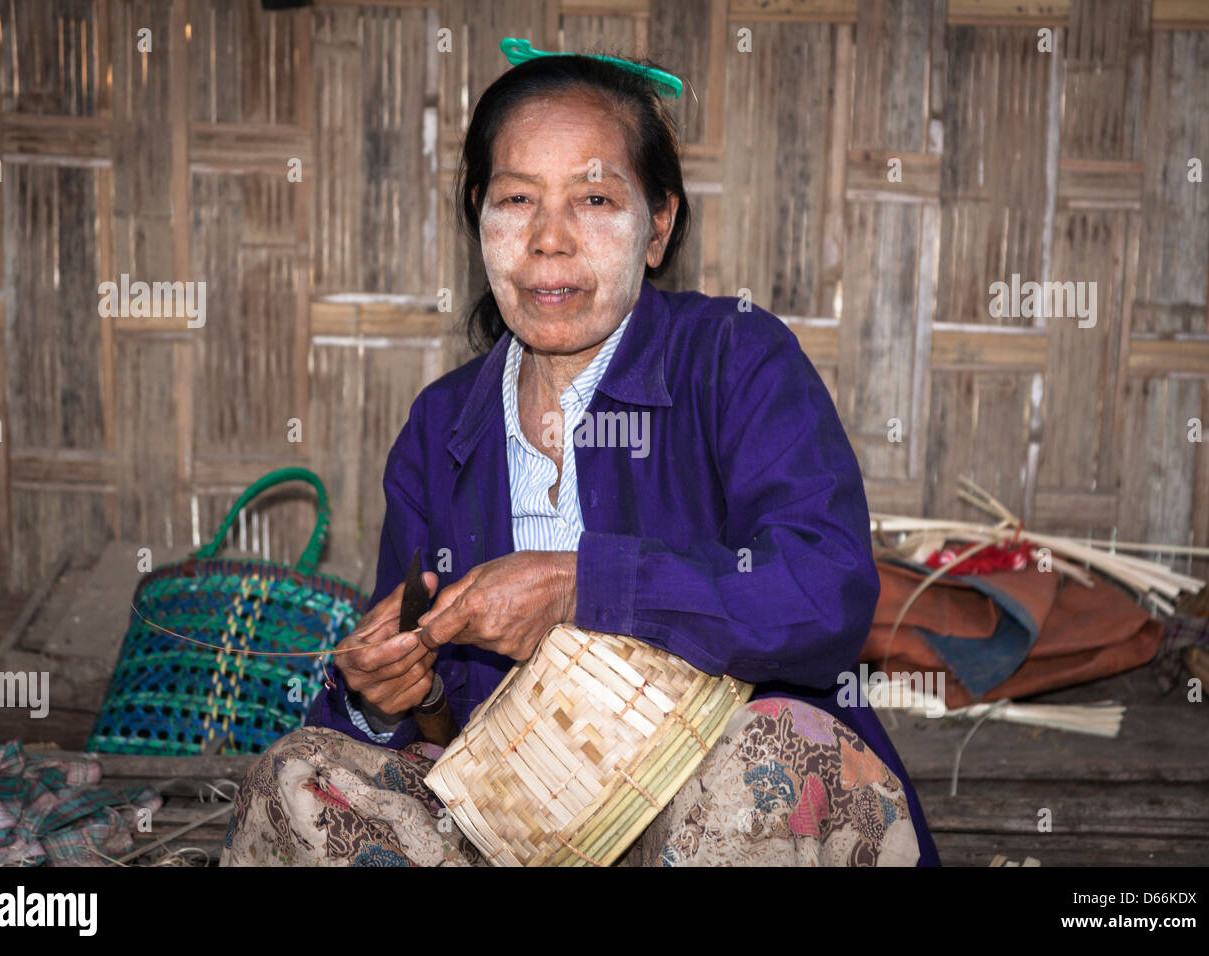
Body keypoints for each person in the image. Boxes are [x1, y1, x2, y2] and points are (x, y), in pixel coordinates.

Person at [221, 48, 939, 867]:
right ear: (478, 216)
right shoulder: (441, 426)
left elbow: (825, 593)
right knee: (296, 776)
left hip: (712, 822)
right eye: (517, 198)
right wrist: (403, 697)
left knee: (775, 753)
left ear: (657, 226)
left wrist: (581, 583)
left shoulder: (735, 360)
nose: (549, 240)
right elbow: (441, 734)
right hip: (514, 832)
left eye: (594, 199)